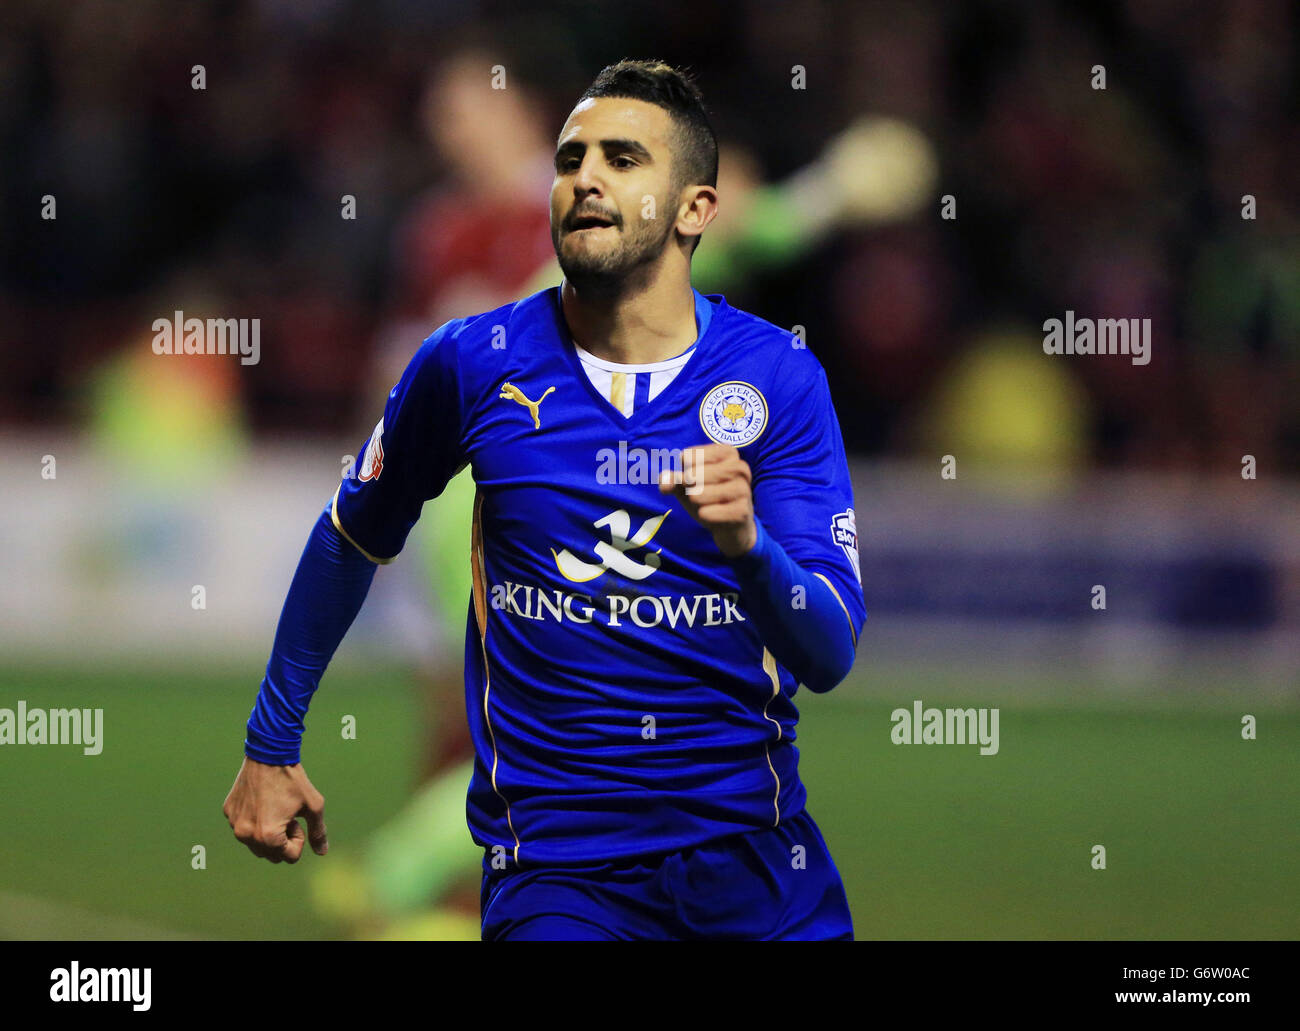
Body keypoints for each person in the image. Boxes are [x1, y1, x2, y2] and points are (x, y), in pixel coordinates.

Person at [223, 58, 866, 941]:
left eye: (623, 158)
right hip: (558, 878)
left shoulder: (778, 380)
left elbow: (828, 651)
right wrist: (272, 742)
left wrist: (750, 547)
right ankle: (399, 878)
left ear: (695, 210)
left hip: (758, 866)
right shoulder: (473, 361)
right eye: (571, 159)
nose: (586, 177)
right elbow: (348, 536)